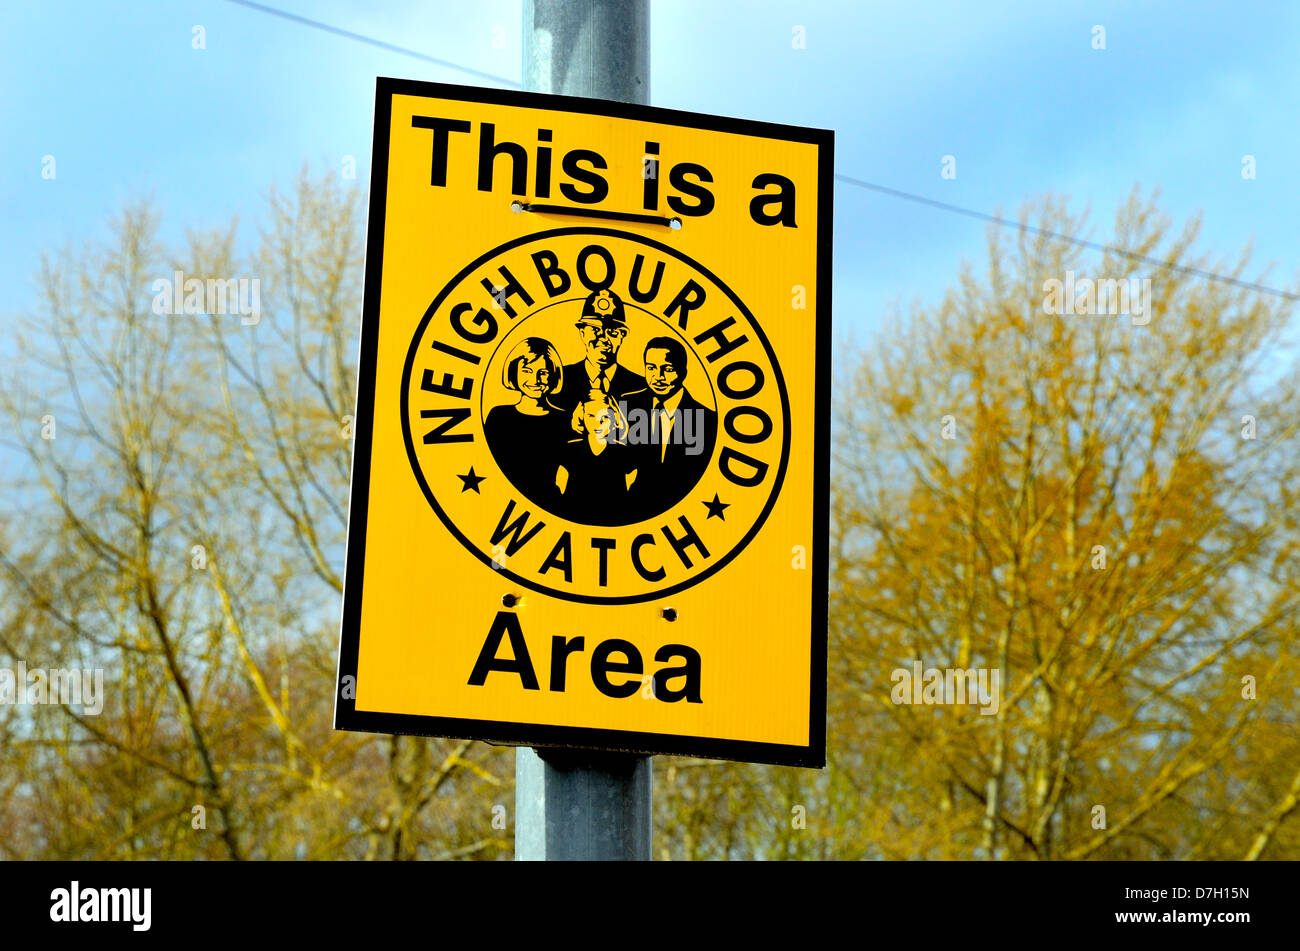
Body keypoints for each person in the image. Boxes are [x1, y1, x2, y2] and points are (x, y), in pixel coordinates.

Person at [621, 335, 717, 518]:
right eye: (651, 368)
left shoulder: (707, 420)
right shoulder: (627, 406)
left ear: (683, 372)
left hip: (685, 512)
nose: (658, 377)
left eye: (668, 369)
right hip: (633, 509)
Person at [483, 337, 569, 506]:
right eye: (527, 371)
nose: (535, 380)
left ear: (553, 376)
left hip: (549, 502)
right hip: (499, 500)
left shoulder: (565, 420)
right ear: (513, 371)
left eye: (543, 373)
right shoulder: (498, 417)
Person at [551, 287, 646, 414]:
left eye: (612, 332)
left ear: (622, 336)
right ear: (582, 333)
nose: (603, 339)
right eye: (595, 330)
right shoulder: (558, 381)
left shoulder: (640, 386)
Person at [553, 391, 639, 526]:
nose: (598, 422)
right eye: (591, 416)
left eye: (604, 417)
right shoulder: (570, 450)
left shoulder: (622, 452)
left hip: (615, 520)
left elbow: (631, 484)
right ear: (581, 417)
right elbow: (560, 484)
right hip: (574, 519)